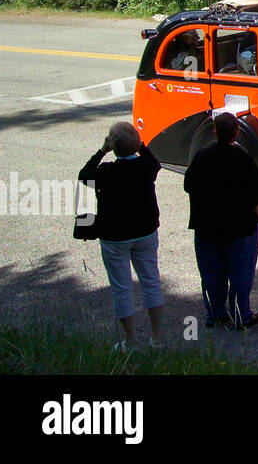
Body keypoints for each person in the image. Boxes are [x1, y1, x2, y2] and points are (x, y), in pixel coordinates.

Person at [79, 122, 165, 351]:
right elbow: (154, 161)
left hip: (115, 236)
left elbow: (83, 176)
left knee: (121, 287)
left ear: (114, 147)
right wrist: (140, 145)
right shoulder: (147, 167)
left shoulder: (106, 172)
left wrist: (101, 151)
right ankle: (157, 337)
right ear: (136, 144)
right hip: (146, 231)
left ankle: (130, 341)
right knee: (151, 281)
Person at [184, 112, 258, 330]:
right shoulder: (244, 158)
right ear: (236, 132)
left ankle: (215, 314)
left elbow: (188, 185)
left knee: (211, 274)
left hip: (207, 225)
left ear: (214, 131)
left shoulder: (202, 156)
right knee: (240, 273)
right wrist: (255, 218)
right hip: (240, 226)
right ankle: (241, 315)